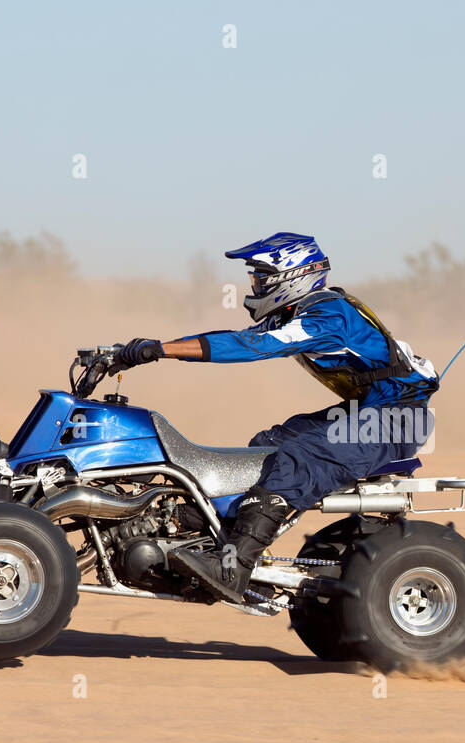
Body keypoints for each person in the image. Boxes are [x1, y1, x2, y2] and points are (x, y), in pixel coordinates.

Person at [107, 232, 438, 603]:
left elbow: (253, 347)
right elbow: (236, 337)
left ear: (292, 277)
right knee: (267, 445)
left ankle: (234, 569)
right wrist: (139, 351)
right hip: (367, 412)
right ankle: (207, 531)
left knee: (298, 459)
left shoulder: (328, 315)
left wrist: (159, 350)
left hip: (396, 419)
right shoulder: (299, 313)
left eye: (262, 277)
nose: (255, 285)